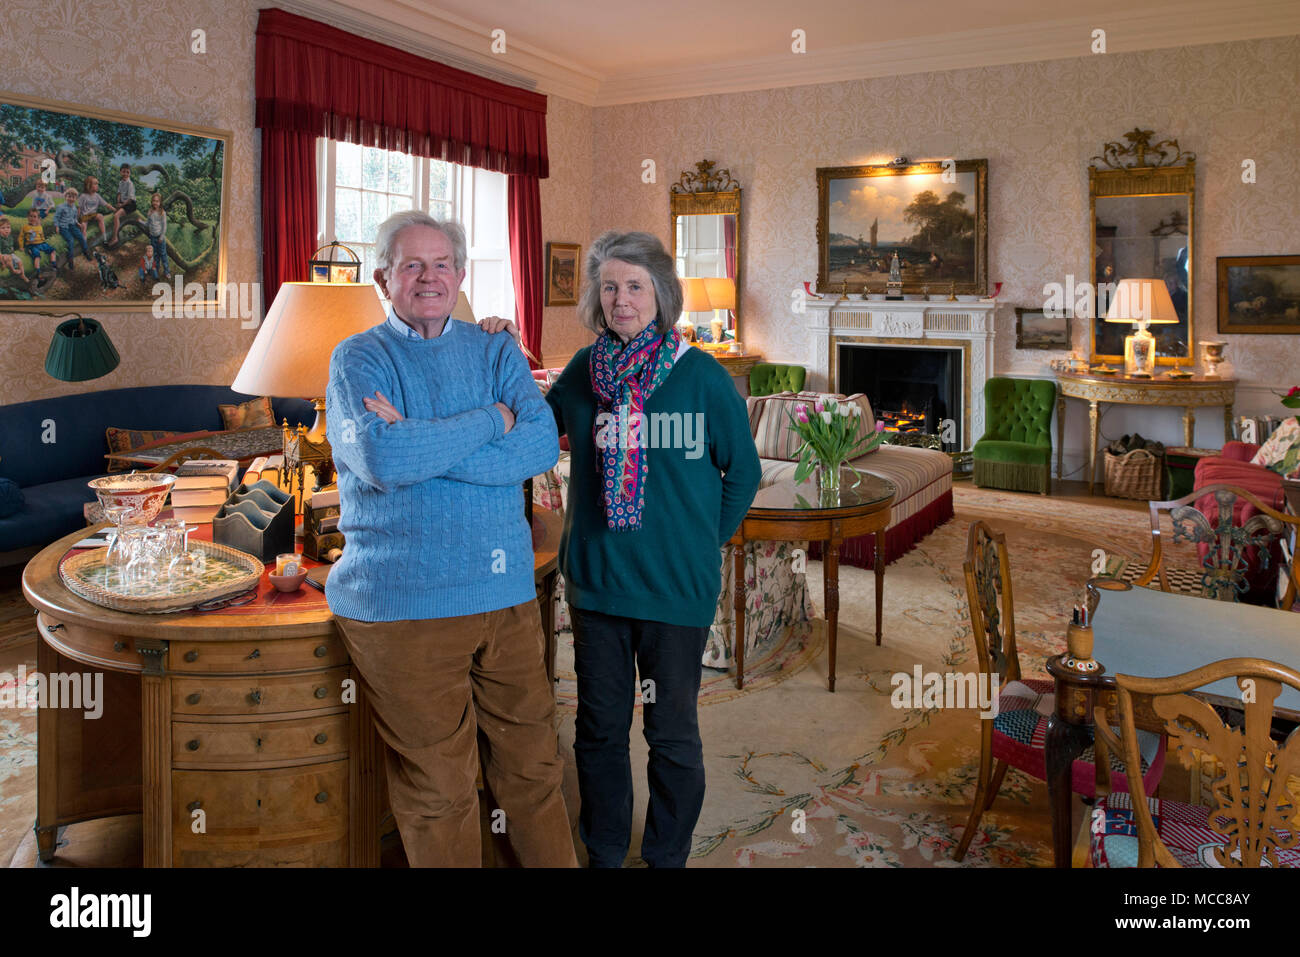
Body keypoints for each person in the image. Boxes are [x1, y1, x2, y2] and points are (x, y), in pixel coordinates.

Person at [487, 231, 761, 867]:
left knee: (670, 734)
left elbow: (742, 473)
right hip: (599, 587)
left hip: (675, 591)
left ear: (661, 294)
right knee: (600, 730)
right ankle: (605, 849)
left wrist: (699, 542)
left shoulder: (701, 377)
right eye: (609, 287)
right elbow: (533, 426)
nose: (621, 300)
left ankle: (666, 856)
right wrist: (503, 347)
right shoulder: (585, 372)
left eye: (635, 286)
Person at [325, 210, 577, 868]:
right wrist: (493, 417)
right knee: (440, 791)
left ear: (461, 274)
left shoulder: (496, 348)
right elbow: (383, 460)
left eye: (441, 264)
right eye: (411, 265)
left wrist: (421, 438)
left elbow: (538, 444)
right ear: (384, 278)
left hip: (505, 593)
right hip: (402, 605)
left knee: (534, 771)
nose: (428, 277)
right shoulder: (357, 358)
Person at [52, 188, 90, 267]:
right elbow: (56, 218)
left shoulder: (74, 208)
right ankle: (70, 259)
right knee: (70, 240)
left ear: (76, 199)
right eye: (69, 196)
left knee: (80, 236)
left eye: (73, 197)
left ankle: (86, 251)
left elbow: (74, 218)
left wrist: (77, 223)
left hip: (72, 225)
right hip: (63, 227)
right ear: (65, 197)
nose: (71, 199)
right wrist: (57, 226)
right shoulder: (61, 207)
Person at [77, 176, 113, 244]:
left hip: (93, 215)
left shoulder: (97, 196)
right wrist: (77, 220)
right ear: (89, 185)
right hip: (85, 216)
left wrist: (114, 209)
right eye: (95, 184)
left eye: (97, 184)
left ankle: (104, 237)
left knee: (100, 216)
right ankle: (84, 244)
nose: (97, 186)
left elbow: (106, 204)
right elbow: (79, 209)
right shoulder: (83, 196)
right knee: (84, 227)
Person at [143, 192, 169, 278]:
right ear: (151, 202)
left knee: (163, 254)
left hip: (160, 237)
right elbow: (147, 223)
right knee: (155, 255)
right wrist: (140, 221)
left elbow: (164, 226)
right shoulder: (150, 212)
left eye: (157, 201)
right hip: (152, 237)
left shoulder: (162, 212)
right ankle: (156, 270)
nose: (155, 203)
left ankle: (166, 271)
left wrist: (162, 236)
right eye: (154, 201)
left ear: (160, 202)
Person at [109, 163, 137, 245]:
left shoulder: (130, 184)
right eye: (124, 172)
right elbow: (119, 193)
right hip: (123, 203)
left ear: (130, 173)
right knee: (114, 211)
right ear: (120, 172)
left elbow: (129, 199)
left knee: (116, 216)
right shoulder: (121, 182)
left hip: (130, 204)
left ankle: (115, 238)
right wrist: (118, 202)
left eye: (128, 172)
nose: (125, 174)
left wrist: (121, 205)